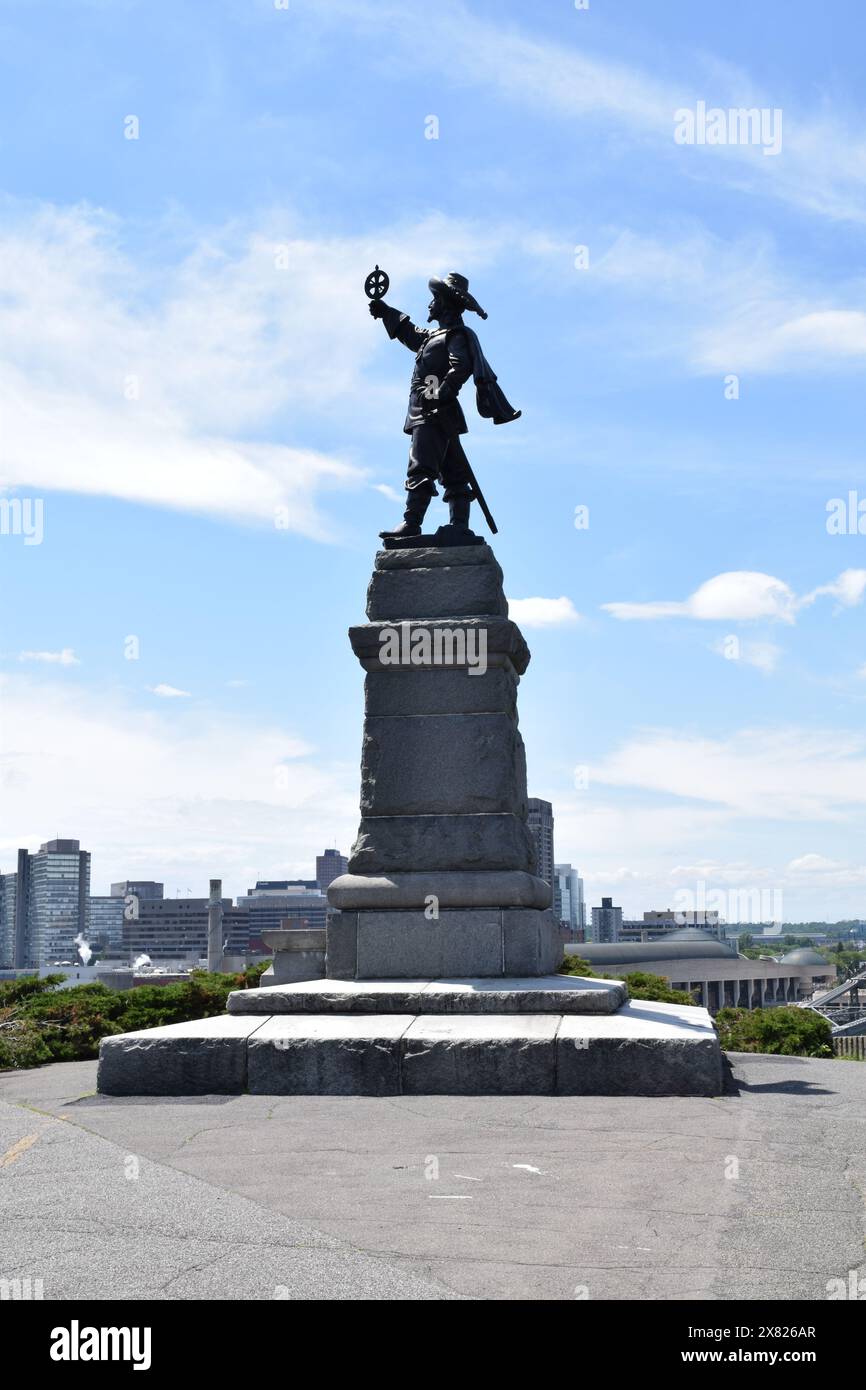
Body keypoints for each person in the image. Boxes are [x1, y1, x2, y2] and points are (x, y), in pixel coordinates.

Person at [369, 272, 519, 540]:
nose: (429, 304)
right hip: (433, 411)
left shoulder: (456, 335)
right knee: (454, 471)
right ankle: (458, 524)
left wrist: (438, 394)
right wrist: (385, 312)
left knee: (422, 465)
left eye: (434, 299)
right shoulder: (432, 336)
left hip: (433, 412)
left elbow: (460, 367)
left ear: (446, 304)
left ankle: (412, 522)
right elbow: (410, 332)